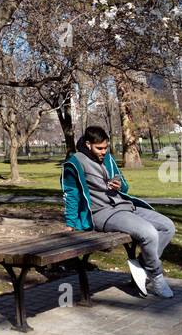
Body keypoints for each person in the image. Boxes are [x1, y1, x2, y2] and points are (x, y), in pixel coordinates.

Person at [61, 125, 176, 298]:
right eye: (99, 148)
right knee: (149, 233)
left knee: (168, 226)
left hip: (124, 206)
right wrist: (70, 222)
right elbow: (71, 193)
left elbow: (125, 186)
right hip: (101, 213)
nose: (103, 151)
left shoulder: (108, 158)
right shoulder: (75, 163)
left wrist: (119, 185)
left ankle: (143, 266)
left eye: (106, 147)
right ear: (87, 144)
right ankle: (156, 277)